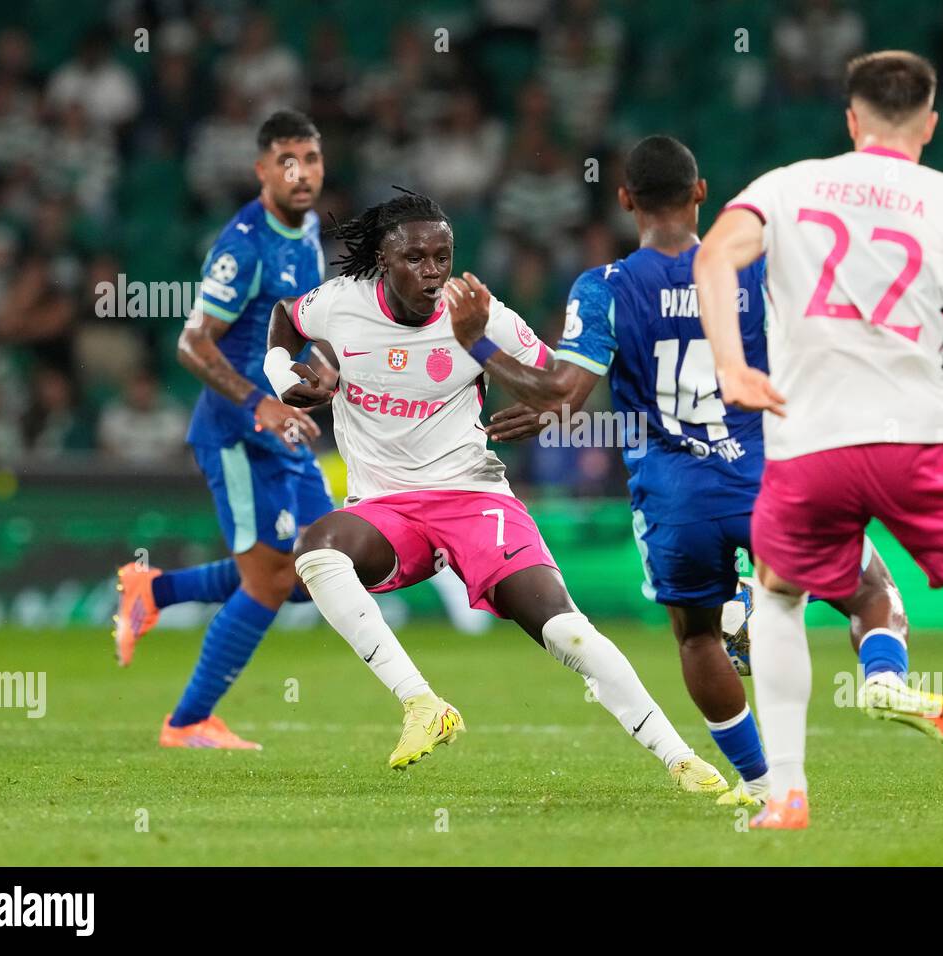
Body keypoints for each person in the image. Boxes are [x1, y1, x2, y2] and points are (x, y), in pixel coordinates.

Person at [484, 135, 943, 807]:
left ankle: (762, 782)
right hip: (766, 477)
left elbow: (563, 392)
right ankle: (882, 675)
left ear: (625, 199)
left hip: (671, 496)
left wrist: (474, 339)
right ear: (701, 194)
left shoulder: (605, 286)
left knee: (696, 637)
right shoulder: (758, 270)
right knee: (868, 593)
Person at [694, 50, 943, 830]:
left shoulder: (785, 184)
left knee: (776, 602)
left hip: (809, 445)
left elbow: (712, 257)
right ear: (931, 123)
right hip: (917, 441)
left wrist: (734, 368)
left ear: (851, 118)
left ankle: (786, 795)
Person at [264, 189, 726, 789]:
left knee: (565, 630)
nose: (433, 272)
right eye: (416, 258)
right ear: (382, 260)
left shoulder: (481, 316)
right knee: (317, 550)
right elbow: (283, 316)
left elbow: (559, 383)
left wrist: (549, 412)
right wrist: (281, 376)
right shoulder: (340, 304)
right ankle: (423, 704)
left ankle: (681, 759)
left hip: (473, 499)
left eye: (442, 256)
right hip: (384, 509)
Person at [113, 110, 336, 749]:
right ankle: (186, 722)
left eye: (312, 158)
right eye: (286, 160)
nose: (301, 172)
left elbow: (289, 328)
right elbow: (191, 343)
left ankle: (154, 589)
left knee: (319, 568)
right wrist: (258, 403)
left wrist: (311, 380)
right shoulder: (244, 244)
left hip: (282, 430)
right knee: (270, 580)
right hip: (237, 434)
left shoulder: (308, 230)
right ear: (261, 170)